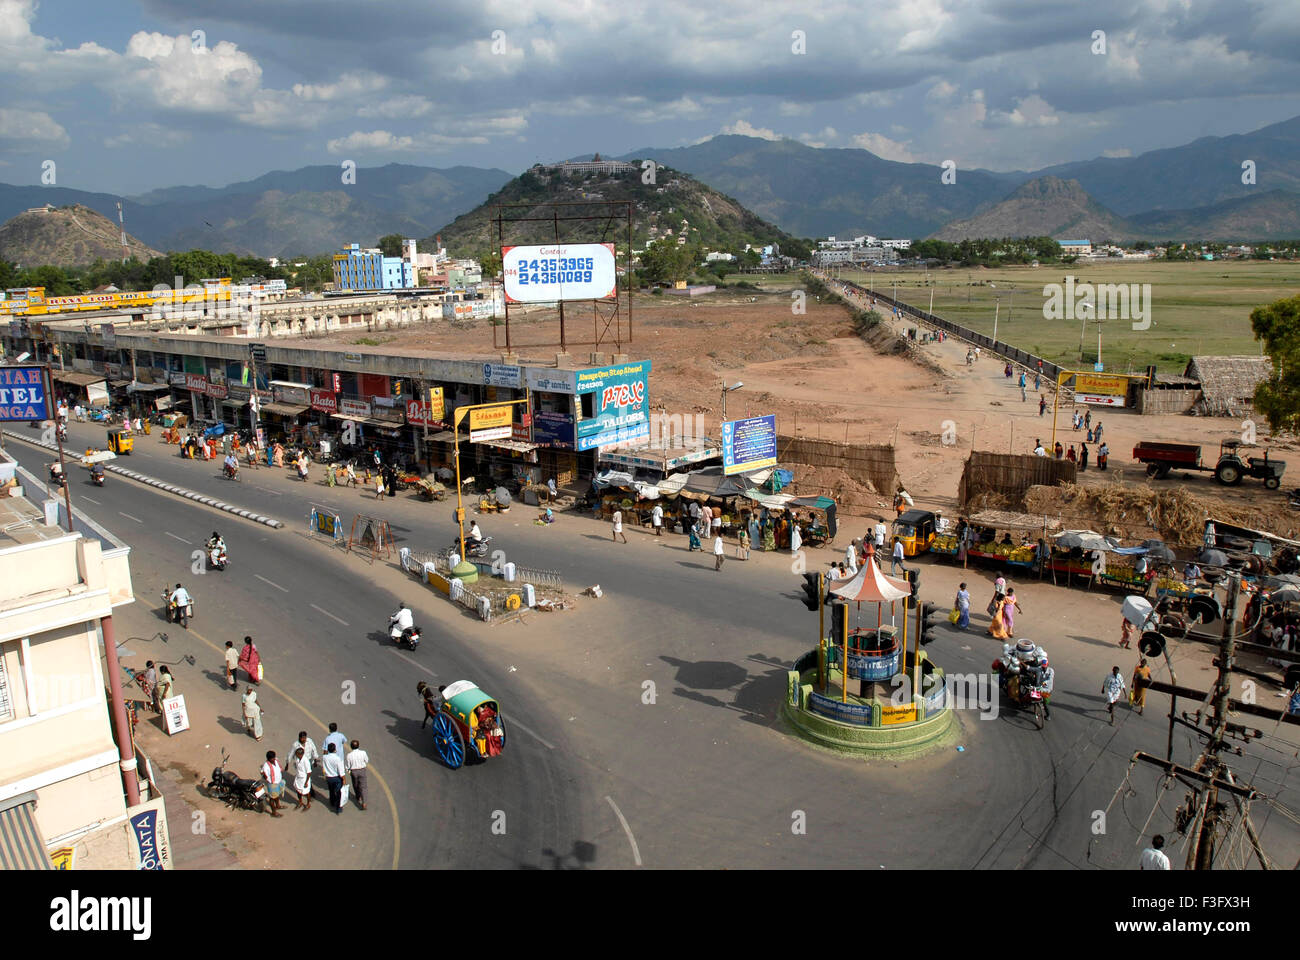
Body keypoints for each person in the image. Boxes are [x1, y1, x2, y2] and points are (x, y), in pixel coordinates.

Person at [321, 742, 346, 814]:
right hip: (336, 778)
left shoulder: (325, 757)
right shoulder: (338, 759)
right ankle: (338, 808)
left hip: (329, 778)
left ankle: (332, 802)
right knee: (338, 793)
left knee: (331, 791)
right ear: (335, 750)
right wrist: (344, 779)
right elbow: (341, 771)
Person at [346, 740, 369, 811]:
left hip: (354, 772)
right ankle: (364, 802)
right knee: (363, 787)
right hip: (362, 770)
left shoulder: (349, 755)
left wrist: (349, 772)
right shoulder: (363, 753)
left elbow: (347, 766)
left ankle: (358, 796)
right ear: (358, 746)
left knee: (355, 785)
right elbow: (367, 760)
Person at [261, 751, 285, 817]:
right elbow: (264, 775)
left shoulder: (276, 760)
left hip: (278, 781)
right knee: (272, 798)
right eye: (272, 758)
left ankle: (278, 805)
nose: (274, 759)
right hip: (272, 784)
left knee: (277, 795)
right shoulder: (266, 766)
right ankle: (273, 812)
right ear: (269, 759)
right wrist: (270, 781)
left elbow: (279, 768)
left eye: (274, 757)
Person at [290, 746, 313, 811]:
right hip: (298, 777)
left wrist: (306, 782)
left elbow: (309, 772)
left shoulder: (306, 761)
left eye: (297, 754)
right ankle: (300, 802)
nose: (296, 755)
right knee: (298, 790)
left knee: (306, 792)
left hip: (304, 779)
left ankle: (308, 804)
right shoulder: (297, 759)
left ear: (301, 754)